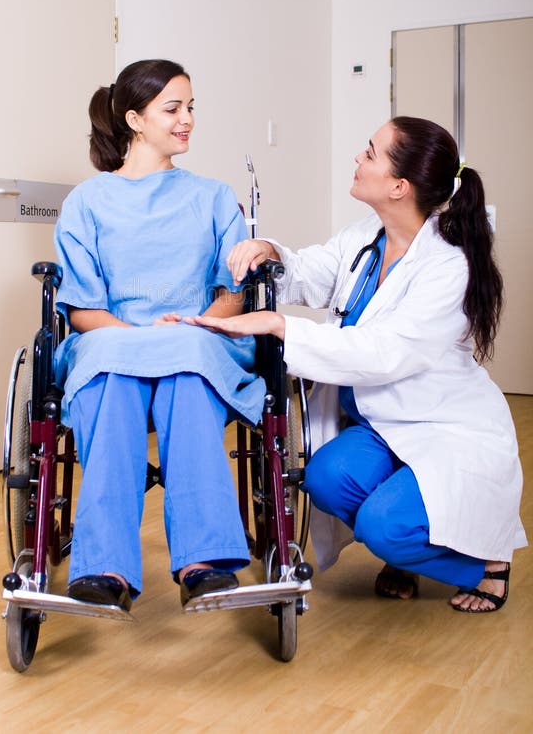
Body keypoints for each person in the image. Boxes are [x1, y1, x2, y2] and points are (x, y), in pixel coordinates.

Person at [187, 116, 527, 613]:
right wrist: (270, 251)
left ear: (398, 186)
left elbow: (385, 353)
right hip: (377, 424)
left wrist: (282, 328)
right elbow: (309, 273)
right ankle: (409, 553)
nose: (357, 158)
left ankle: (484, 568)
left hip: (441, 427)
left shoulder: (448, 265)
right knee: (325, 478)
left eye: (369, 152)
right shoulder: (366, 236)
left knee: (384, 526)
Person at [53, 59, 265, 611]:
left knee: (188, 368)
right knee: (111, 369)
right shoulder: (87, 202)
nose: (187, 119)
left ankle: (204, 560)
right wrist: (142, 334)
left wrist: (199, 322)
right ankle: (103, 567)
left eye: (191, 107)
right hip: (111, 341)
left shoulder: (215, 198)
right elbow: (83, 313)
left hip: (195, 340)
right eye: (173, 108)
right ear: (134, 119)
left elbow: (232, 296)